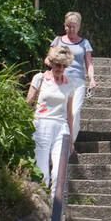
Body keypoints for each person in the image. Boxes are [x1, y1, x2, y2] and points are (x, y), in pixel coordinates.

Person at [27, 45, 76, 188]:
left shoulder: (69, 84)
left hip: (61, 128)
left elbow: (69, 113)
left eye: (63, 66)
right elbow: (28, 102)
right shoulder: (40, 78)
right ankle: (43, 207)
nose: (60, 68)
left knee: (58, 173)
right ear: (51, 63)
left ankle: (56, 206)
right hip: (41, 124)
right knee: (43, 172)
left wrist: (71, 139)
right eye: (57, 65)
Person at [47, 11, 95, 146]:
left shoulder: (84, 43)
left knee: (74, 112)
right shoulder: (57, 41)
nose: (71, 29)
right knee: (60, 111)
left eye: (74, 26)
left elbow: (89, 63)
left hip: (78, 82)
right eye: (69, 26)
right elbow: (47, 58)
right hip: (60, 80)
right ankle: (57, 140)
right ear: (65, 26)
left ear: (79, 27)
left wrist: (91, 78)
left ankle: (69, 142)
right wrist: (54, 64)